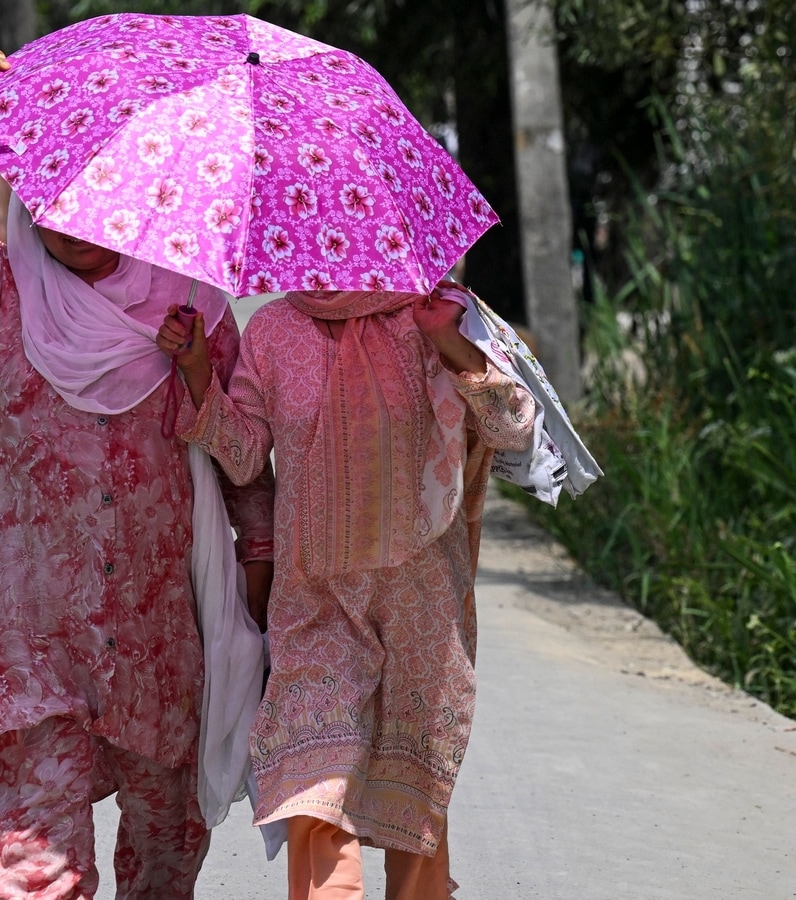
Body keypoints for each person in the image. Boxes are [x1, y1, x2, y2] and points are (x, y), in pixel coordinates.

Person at [0, 51, 276, 900]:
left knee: (167, 858)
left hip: (161, 639)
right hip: (33, 639)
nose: (66, 221)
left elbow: (246, 463)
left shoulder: (192, 309)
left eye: (92, 199)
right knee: (38, 871)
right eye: (48, 197)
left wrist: (260, 575)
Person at [156, 285, 536, 899]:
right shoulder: (276, 330)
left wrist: (450, 344)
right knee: (316, 788)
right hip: (316, 603)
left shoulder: (435, 313)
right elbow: (247, 458)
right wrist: (199, 372)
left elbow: (515, 428)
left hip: (422, 609)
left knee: (417, 806)